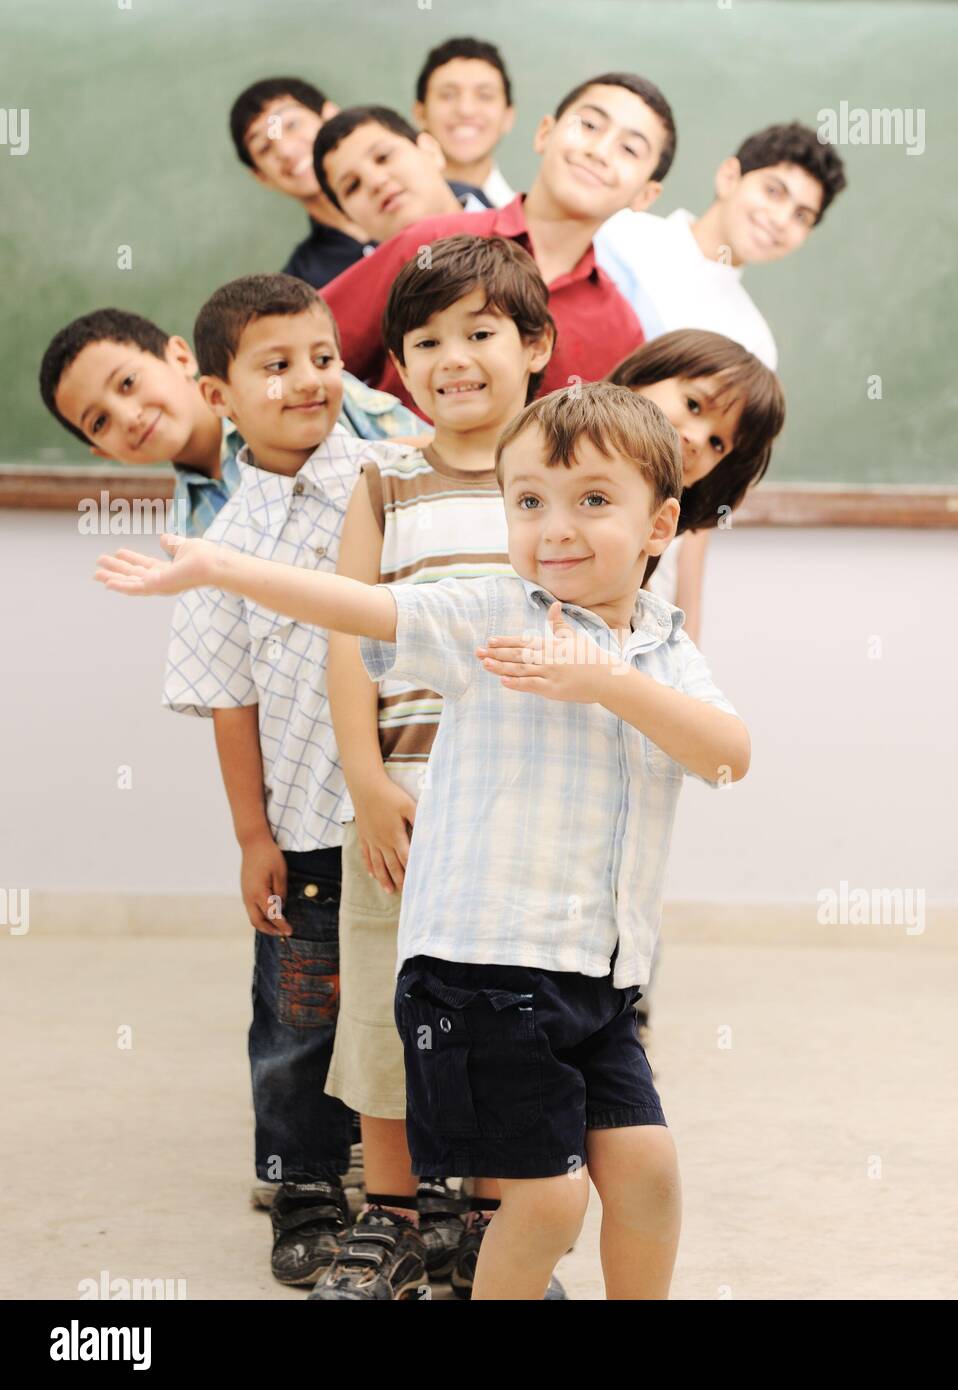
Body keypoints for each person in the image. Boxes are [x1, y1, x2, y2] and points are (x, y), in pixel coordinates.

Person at [95, 382, 751, 1300]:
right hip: (484, 971)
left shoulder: (663, 649)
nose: (555, 527)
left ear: (660, 524)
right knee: (548, 1206)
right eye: (529, 502)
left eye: (592, 500)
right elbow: (361, 607)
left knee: (647, 1176)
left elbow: (728, 758)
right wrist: (223, 570)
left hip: (599, 977)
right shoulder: (487, 614)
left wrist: (605, 681)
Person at [313, 233, 556, 1300]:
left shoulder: (558, 481)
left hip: (522, 807)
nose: (452, 356)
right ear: (398, 368)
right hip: (403, 803)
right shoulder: (384, 481)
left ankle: (500, 1224)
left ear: (536, 344)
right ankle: (396, 1214)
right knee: (379, 1002)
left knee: (513, 1019)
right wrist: (366, 783)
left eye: (480, 332)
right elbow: (343, 638)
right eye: (424, 340)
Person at [154, 273, 391, 1285]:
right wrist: (253, 834)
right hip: (303, 821)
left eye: (323, 357)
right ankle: (300, 1182)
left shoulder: (394, 478)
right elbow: (228, 698)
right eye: (276, 365)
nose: (307, 381)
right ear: (218, 395)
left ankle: (415, 1182)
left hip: (409, 804)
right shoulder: (223, 542)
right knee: (302, 1011)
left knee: (411, 998)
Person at [322, 72, 679, 414]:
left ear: (646, 195)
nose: (599, 151)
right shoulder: (429, 242)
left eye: (629, 149)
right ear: (544, 133)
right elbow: (307, 348)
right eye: (587, 125)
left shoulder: (622, 332)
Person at [39, 307, 420, 536]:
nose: (129, 417)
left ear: (180, 357)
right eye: (100, 422)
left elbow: (440, 460)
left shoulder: (306, 395)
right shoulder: (186, 535)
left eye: (127, 383)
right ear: (102, 452)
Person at [595, 122, 848, 368]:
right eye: (773, 191)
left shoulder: (752, 348)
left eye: (801, 216)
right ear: (729, 177)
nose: (781, 220)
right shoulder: (613, 231)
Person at [609, 328, 785, 642]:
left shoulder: (661, 541)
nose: (698, 439)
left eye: (718, 443)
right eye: (693, 405)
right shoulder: (542, 463)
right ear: (642, 377)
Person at [228, 77, 375, 289]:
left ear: (330, 115)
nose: (285, 151)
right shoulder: (301, 288)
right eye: (264, 147)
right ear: (261, 176)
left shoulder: (425, 200)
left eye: (292, 125)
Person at [312, 106, 489, 247]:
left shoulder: (515, 228)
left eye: (383, 157)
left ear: (430, 150)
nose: (376, 182)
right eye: (352, 186)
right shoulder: (368, 292)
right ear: (349, 218)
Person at [411, 37, 518, 208]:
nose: (465, 110)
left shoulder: (524, 224)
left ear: (508, 116)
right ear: (420, 113)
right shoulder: (385, 216)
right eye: (448, 95)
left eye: (485, 95)